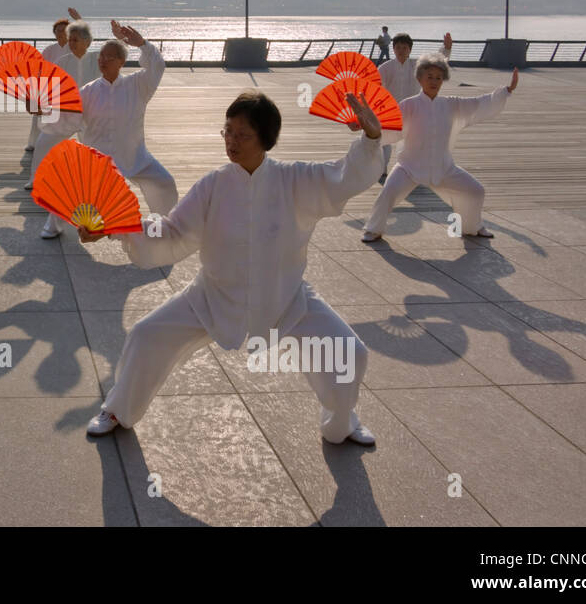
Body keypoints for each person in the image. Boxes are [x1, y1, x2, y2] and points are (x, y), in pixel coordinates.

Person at [84, 89, 382, 446]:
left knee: (350, 352)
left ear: (266, 138)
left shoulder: (296, 180)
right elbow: (173, 230)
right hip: (212, 296)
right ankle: (118, 409)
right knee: (146, 336)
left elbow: (347, 175)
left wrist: (371, 138)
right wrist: (115, 227)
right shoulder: (213, 185)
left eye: (243, 134)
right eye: (227, 131)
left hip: (284, 299)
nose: (232, 141)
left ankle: (342, 422)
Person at [40, 20, 178, 239]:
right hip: (97, 160)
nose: (103, 60)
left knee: (164, 184)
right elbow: (69, 119)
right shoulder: (88, 92)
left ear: (121, 62)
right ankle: (53, 225)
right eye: (101, 56)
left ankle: (161, 228)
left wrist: (141, 43)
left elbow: (157, 65)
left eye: (109, 57)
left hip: (134, 156)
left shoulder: (138, 85)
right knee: (70, 188)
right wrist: (44, 108)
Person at [361, 55, 518, 242]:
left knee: (475, 191)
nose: (434, 81)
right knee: (389, 192)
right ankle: (374, 229)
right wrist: (367, 125)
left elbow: (478, 104)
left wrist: (506, 91)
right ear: (419, 79)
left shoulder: (450, 104)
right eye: (429, 76)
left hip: (443, 167)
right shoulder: (409, 105)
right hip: (409, 166)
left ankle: (471, 227)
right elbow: (388, 125)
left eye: (438, 77)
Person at [26, 15, 101, 191]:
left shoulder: (97, 60)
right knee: (44, 143)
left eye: (75, 40)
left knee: (101, 148)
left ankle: (104, 180)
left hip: (90, 115)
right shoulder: (63, 61)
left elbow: (117, 53)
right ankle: (35, 179)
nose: (72, 43)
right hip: (65, 113)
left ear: (87, 42)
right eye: (71, 40)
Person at [375, 32, 453, 184]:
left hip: (415, 110)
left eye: (404, 48)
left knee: (416, 143)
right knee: (384, 141)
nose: (401, 51)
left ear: (410, 49)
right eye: (398, 47)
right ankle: (382, 171)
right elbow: (376, 88)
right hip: (391, 110)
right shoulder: (385, 68)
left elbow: (436, 61)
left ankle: (416, 172)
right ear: (393, 49)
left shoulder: (417, 66)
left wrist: (446, 48)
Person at [25, 17, 72, 153]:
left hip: (67, 87)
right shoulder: (49, 50)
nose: (60, 33)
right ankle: (34, 143)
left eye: (63, 30)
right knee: (38, 115)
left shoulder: (73, 49)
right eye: (57, 31)